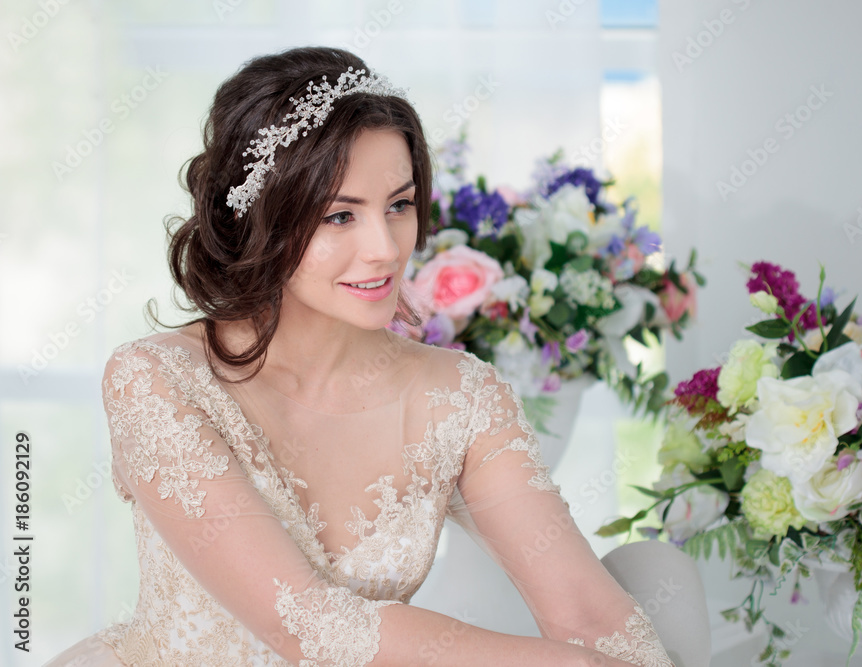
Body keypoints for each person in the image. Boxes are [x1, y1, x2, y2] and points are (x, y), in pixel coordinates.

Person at [44, 46, 674, 667]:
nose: (385, 249)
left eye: (398, 205)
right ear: (259, 219)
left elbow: (590, 618)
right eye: (340, 216)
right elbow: (309, 628)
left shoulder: (459, 397)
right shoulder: (157, 381)